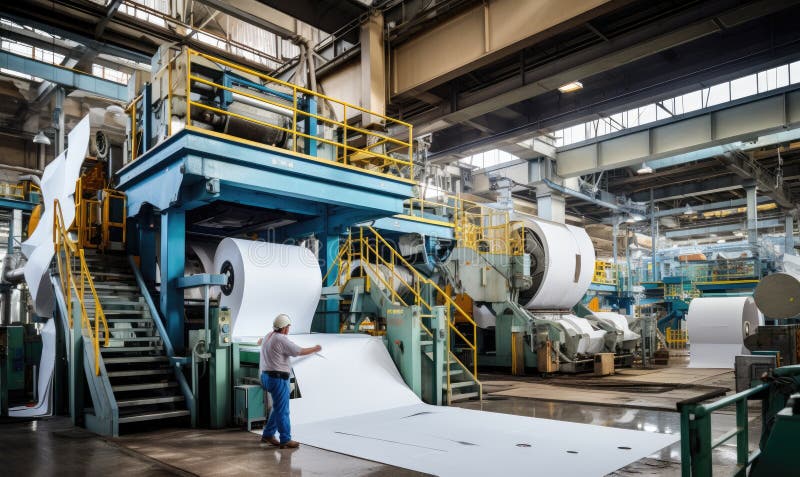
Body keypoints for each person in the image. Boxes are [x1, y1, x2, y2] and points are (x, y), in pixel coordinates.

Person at [259, 313, 321, 449]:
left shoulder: (268, 336)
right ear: (285, 328)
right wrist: (315, 349)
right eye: (288, 326)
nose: (289, 329)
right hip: (278, 379)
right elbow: (299, 351)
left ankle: (268, 434)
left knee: (278, 407)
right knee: (283, 411)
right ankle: (285, 439)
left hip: (266, 377)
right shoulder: (281, 339)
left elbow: (260, 342)